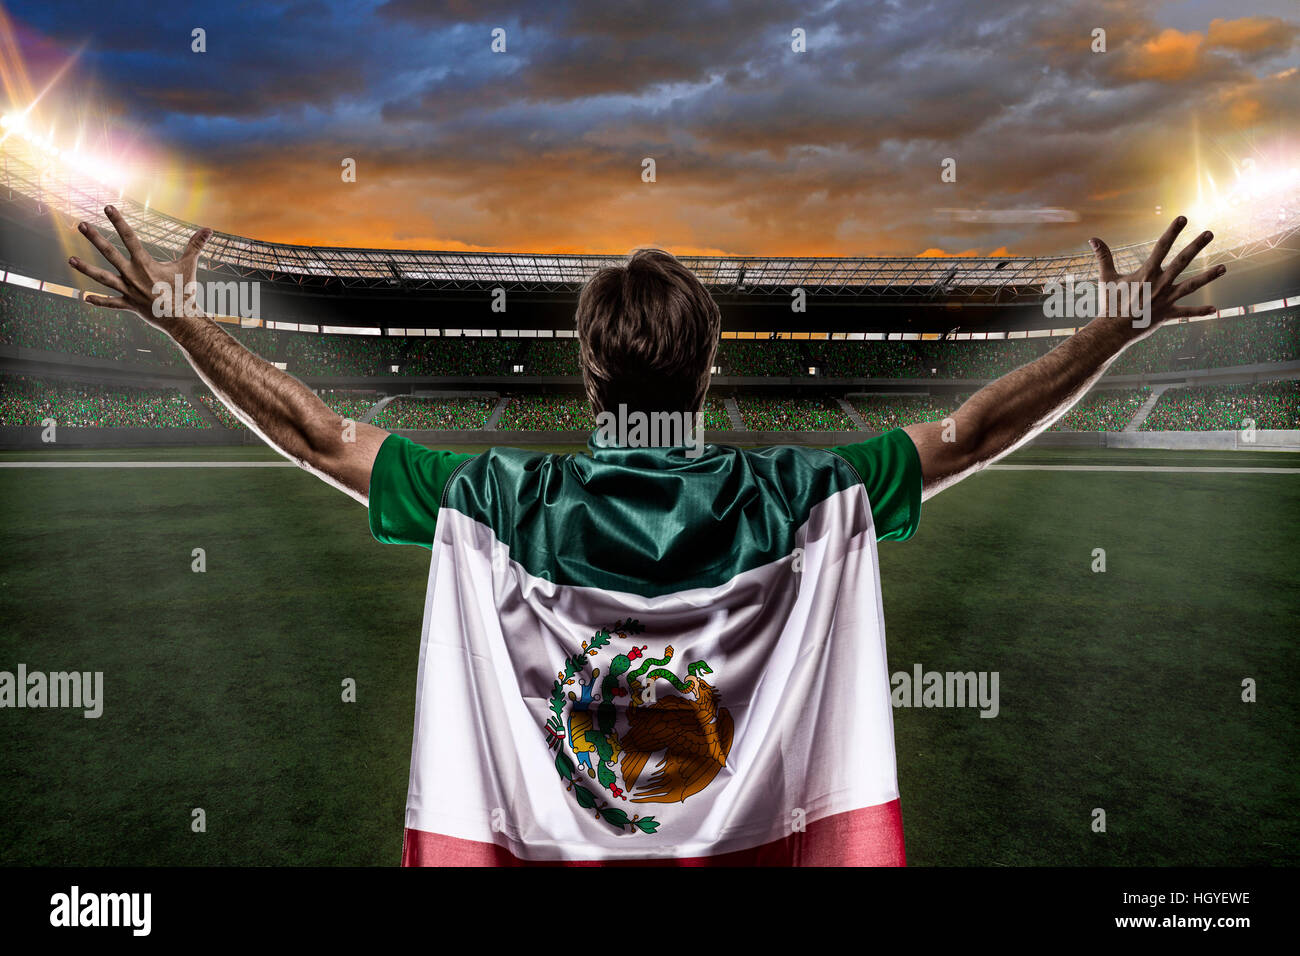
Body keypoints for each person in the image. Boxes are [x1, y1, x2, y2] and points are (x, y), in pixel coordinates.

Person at [69, 209, 1224, 865]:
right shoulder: (807, 489)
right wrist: (1111, 331)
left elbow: (316, 433)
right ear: (710, 365)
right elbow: (976, 428)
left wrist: (184, 325)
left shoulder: (497, 498)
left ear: (586, 370)